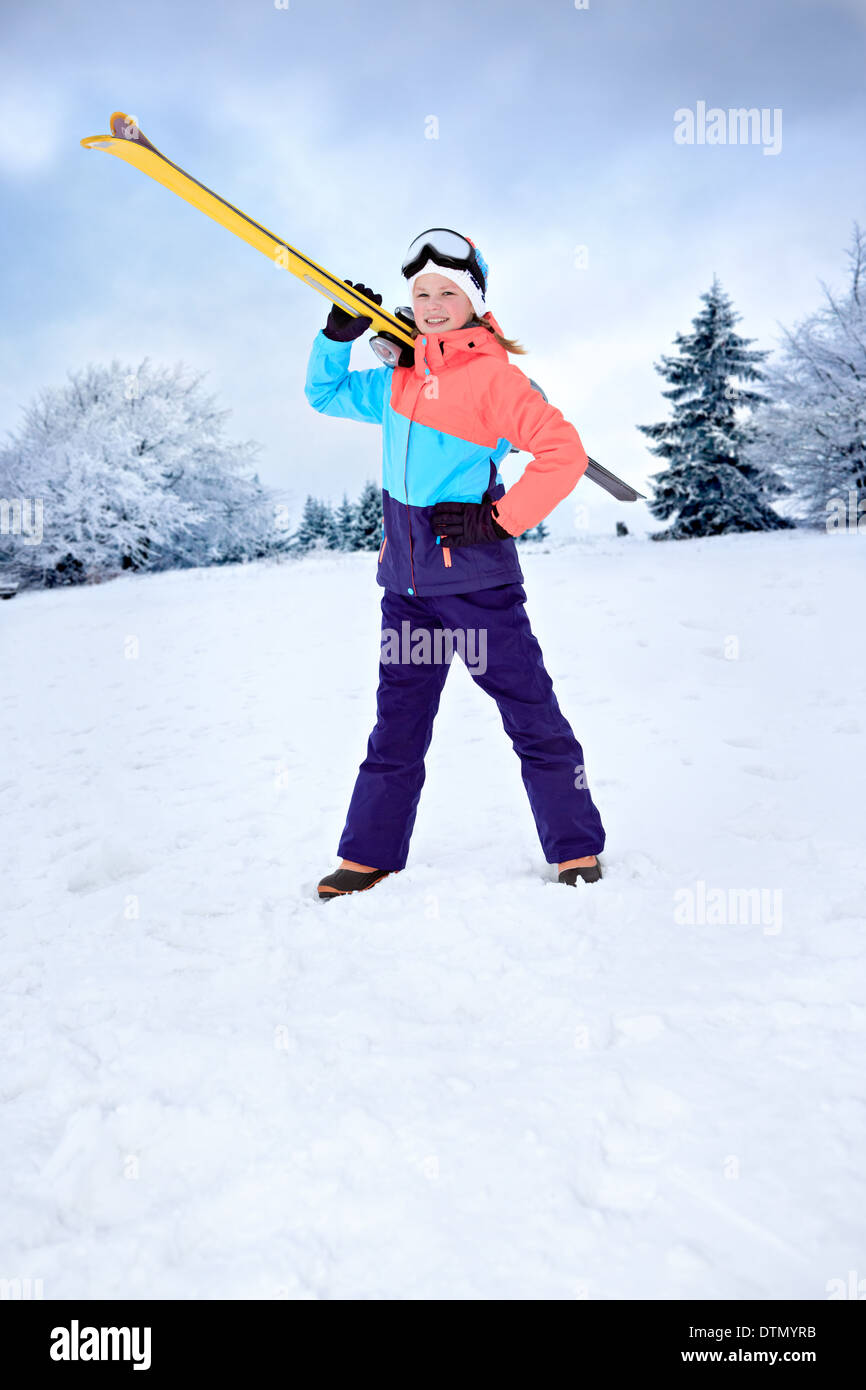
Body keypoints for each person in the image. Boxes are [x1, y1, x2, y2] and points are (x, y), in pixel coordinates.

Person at [305, 228, 606, 900]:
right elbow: (324, 396)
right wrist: (336, 336)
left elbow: (564, 454)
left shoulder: (492, 379)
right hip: (406, 589)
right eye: (421, 293)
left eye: (447, 292)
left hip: (477, 586)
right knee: (396, 726)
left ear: (473, 302)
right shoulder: (399, 376)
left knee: (530, 715)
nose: (433, 303)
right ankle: (368, 855)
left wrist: (495, 519)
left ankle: (576, 847)